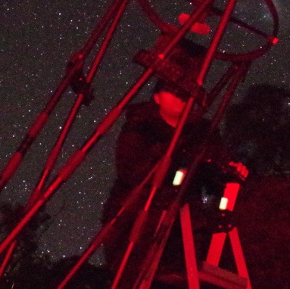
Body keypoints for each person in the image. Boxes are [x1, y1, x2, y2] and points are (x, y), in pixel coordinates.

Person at [101, 44, 246, 284]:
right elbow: (132, 172)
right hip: (138, 218)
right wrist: (176, 159)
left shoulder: (204, 133)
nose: (180, 95)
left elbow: (214, 173)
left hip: (185, 225)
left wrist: (228, 170)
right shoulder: (139, 126)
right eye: (172, 90)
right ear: (156, 97)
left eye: (184, 92)